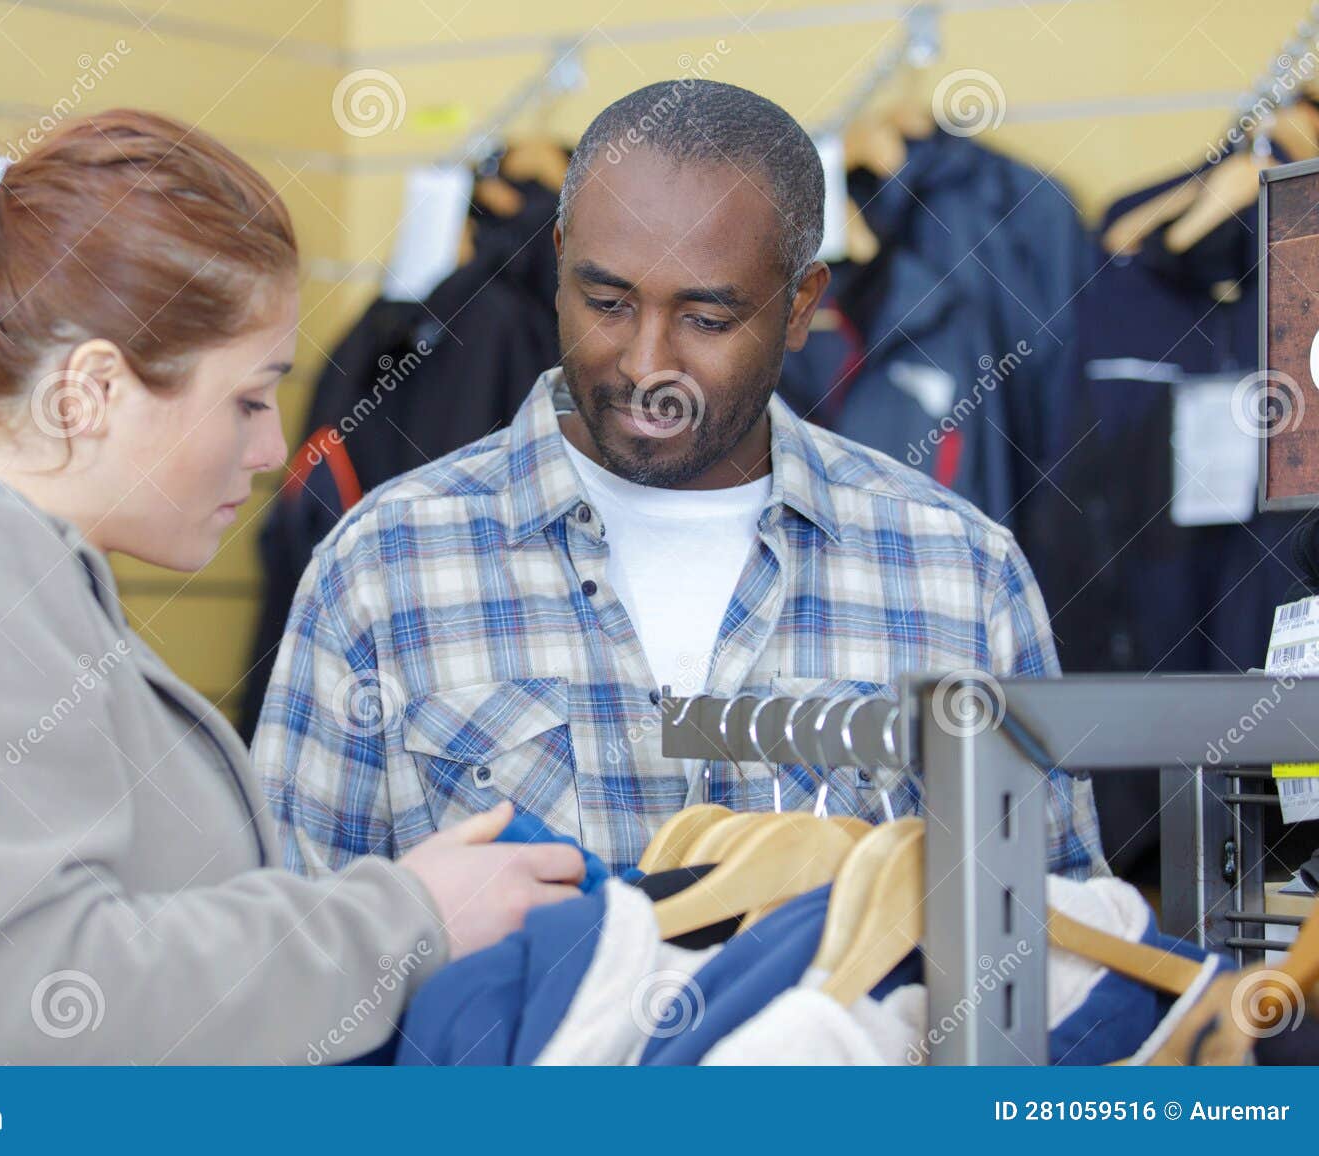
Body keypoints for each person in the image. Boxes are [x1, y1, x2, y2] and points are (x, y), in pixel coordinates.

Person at [0, 110, 584, 1066]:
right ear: (91, 389)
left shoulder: (13, 571)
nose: (267, 452)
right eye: (249, 399)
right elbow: (40, 994)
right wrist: (411, 918)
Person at [256, 80, 1107, 881]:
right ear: (559, 262)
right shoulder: (382, 568)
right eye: (606, 303)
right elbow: (298, 964)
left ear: (804, 304)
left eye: (706, 319)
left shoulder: (958, 574)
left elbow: (1053, 954)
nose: (647, 366)